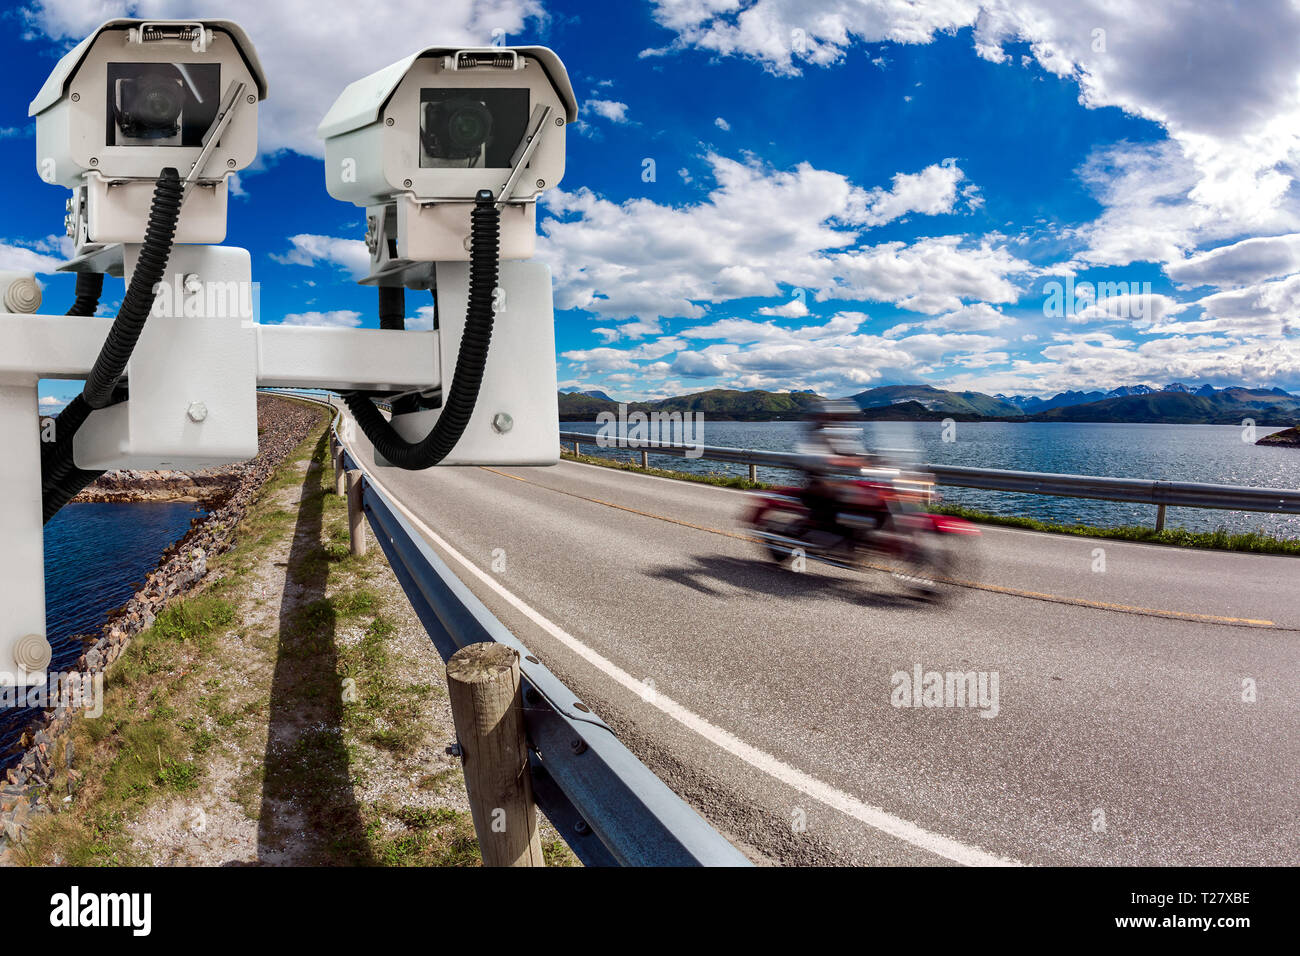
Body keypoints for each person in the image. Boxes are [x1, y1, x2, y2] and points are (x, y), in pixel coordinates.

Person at [796, 401, 885, 540]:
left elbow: (851, 451)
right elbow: (814, 457)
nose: (842, 420)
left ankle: (857, 534)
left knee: (865, 493)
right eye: (838, 417)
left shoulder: (833, 433)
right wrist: (840, 460)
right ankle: (840, 533)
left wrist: (875, 458)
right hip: (815, 483)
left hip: (827, 480)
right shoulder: (815, 434)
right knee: (848, 497)